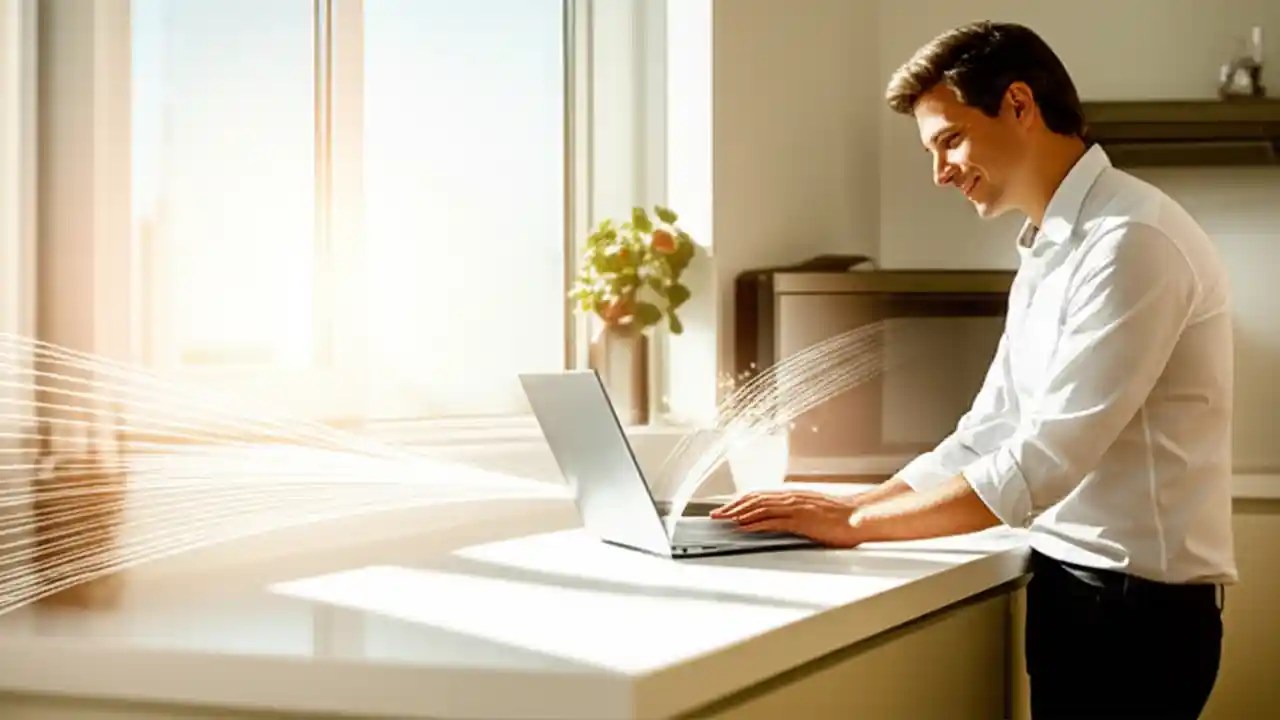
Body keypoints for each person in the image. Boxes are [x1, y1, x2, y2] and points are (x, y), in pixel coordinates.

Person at [712, 20, 1234, 719]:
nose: (940, 171)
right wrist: (861, 502)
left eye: (949, 139)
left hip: (1138, 617)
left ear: (1019, 104)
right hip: (1076, 596)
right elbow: (989, 428)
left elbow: (1043, 459)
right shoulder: (1052, 247)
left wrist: (861, 523)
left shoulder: (1131, 241)